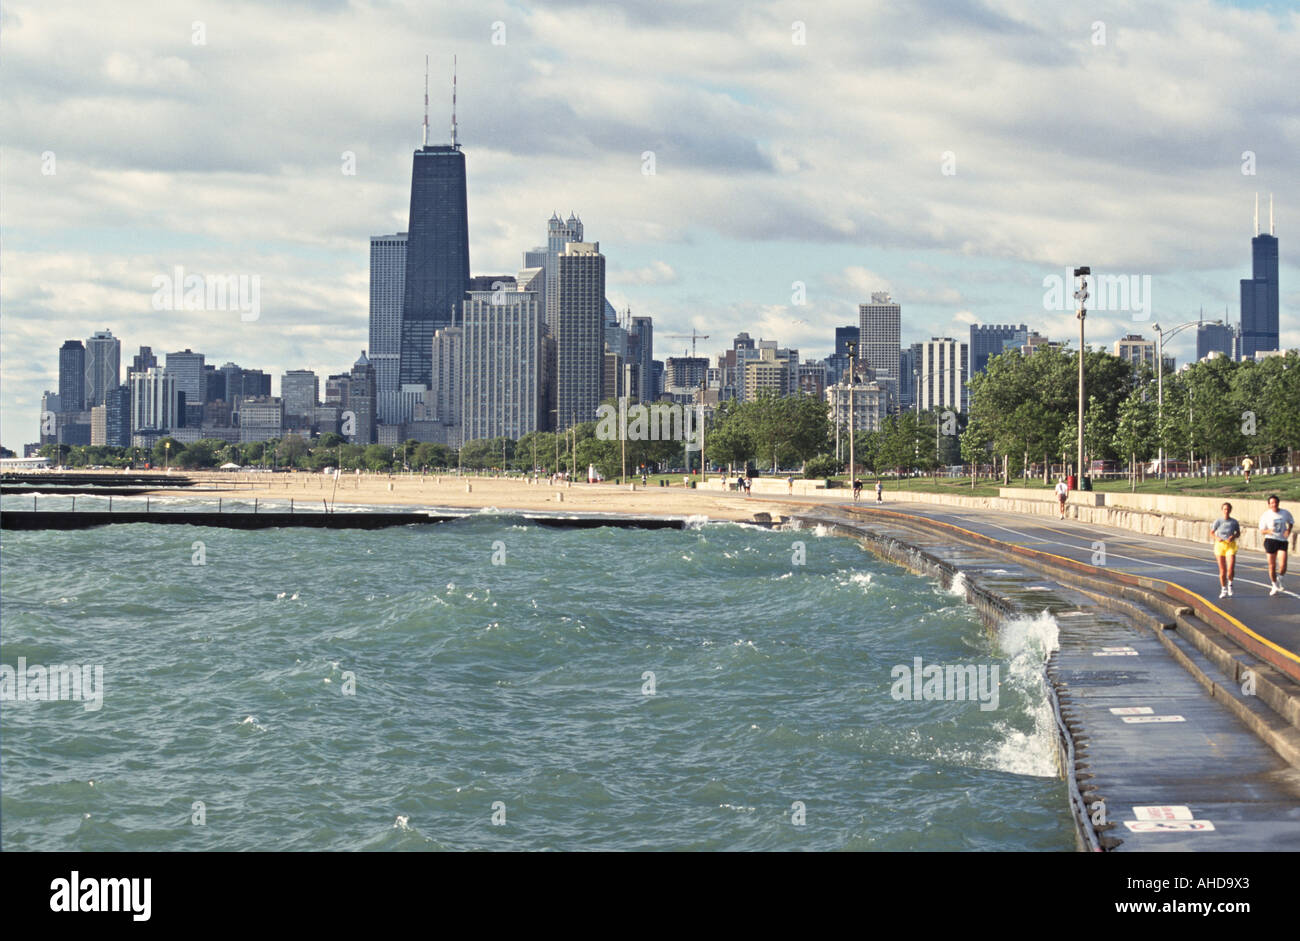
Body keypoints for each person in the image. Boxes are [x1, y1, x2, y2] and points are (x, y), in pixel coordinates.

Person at [1259, 494, 1295, 596]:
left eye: (1275, 502)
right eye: (1271, 503)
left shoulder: (1285, 513)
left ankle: (1280, 577)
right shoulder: (1265, 515)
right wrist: (1268, 531)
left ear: (1278, 503)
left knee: (1283, 565)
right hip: (1271, 540)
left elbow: (1291, 522)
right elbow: (1262, 531)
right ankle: (1274, 585)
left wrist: (1288, 530)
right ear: (1269, 505)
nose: (1274, 504)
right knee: (1272, 565)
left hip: (1282, 541)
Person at [1209, 502, 1241, 598]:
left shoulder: (1234, 522)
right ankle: (1223, 589)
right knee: (1222, 571)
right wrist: (1216, 538)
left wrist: (1233, 536)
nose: (1226, 511)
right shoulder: (1218, 521)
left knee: (1230, 568)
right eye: (1224, 509)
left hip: (1230, 545)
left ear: (1230, 510)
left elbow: (1238, 533)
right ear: (1222, 510)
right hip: (1220, 546)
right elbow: (1211, 532)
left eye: (1228, 509)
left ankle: (1230, 584)